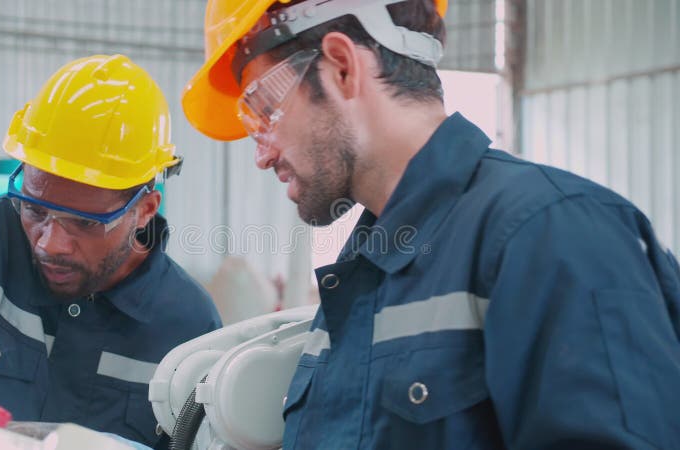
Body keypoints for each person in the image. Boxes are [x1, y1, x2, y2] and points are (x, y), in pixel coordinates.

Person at [182, 0, 680, 448]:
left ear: (341, 67)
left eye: (264, 110)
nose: (262, 155)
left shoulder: (552, 233)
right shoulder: (364, 269)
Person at [0, 54, 221, 448]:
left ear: (145, 210)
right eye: (35, 209)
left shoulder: (188, 331)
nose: (48, 243)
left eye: (84, 223)